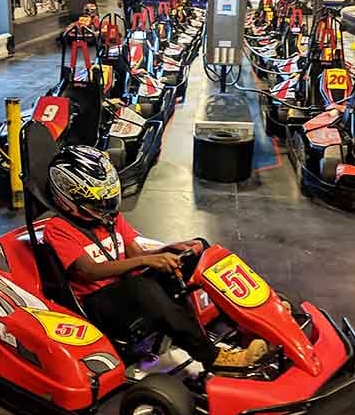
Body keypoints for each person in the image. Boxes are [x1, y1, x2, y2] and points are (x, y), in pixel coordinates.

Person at [43, 146, 268, 370]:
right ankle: (211, 355)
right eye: (98, 202)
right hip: (99, 305)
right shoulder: (58, 229)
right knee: (142, 287)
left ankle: (246, 320)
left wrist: (167, 251)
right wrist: (144, 262)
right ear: (68, 200)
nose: (106, 207)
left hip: (129, 287)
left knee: (199, 249)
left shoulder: (108, 218)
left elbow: (137, 255)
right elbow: (89, 270)